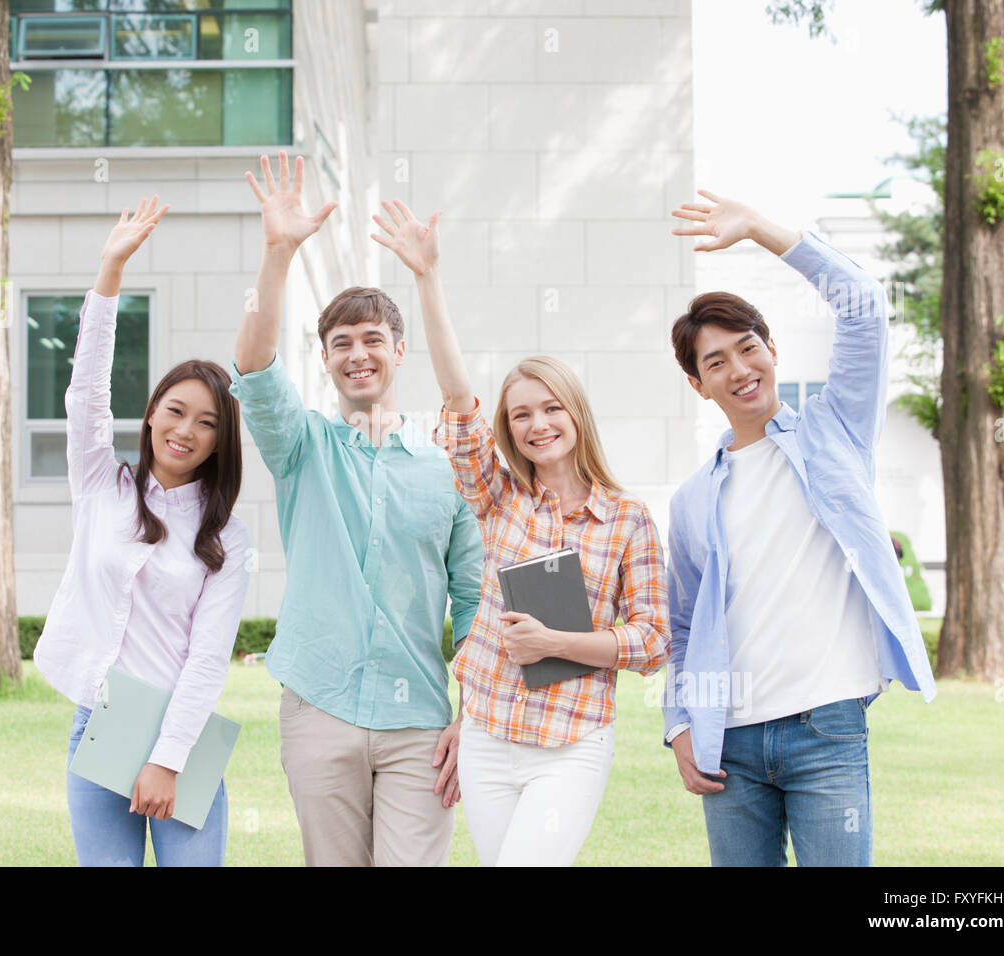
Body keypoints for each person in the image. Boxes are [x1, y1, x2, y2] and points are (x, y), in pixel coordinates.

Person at [371, 199, 670, 866]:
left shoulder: (628, 520)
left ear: (576, 413)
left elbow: (653, 642)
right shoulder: (499, 499)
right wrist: (427, 280)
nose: (538, 425)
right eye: (522, 415)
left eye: (551, 408)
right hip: (485, 737)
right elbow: (456, 400)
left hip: (570, 746)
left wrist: (557, 642)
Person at [662, 189, 938, 867]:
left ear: (772, 350)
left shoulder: (834, 432)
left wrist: (758, 228)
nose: (737, 370)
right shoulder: (694, 499)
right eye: (714, 363)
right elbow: (683, 624)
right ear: (699, 386)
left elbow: (865, 305)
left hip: (828, 729)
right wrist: (681, 727)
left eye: (745, 348)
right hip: (731, 743)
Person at [230, 153, 484, 867]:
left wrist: (474, 717)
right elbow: (251, 366)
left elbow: (472, 605)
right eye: (341, 343)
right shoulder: (302, 446)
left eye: (373, 339)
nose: (358, 353)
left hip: (418, 727)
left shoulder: (448, 473)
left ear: (400, 351)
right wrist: (277, 254)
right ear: (326, 361)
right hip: (320, 708)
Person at [34, 197, 252, 867]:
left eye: (206, 422)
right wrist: (111, 269)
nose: (186, 430)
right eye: (175, 411)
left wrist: (166, 758)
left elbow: (207, 659)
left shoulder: (227, 537)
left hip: (178, 739)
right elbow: (85, 394)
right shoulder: (103, 485)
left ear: (220, 441)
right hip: (98, 723)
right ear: (152, 413)